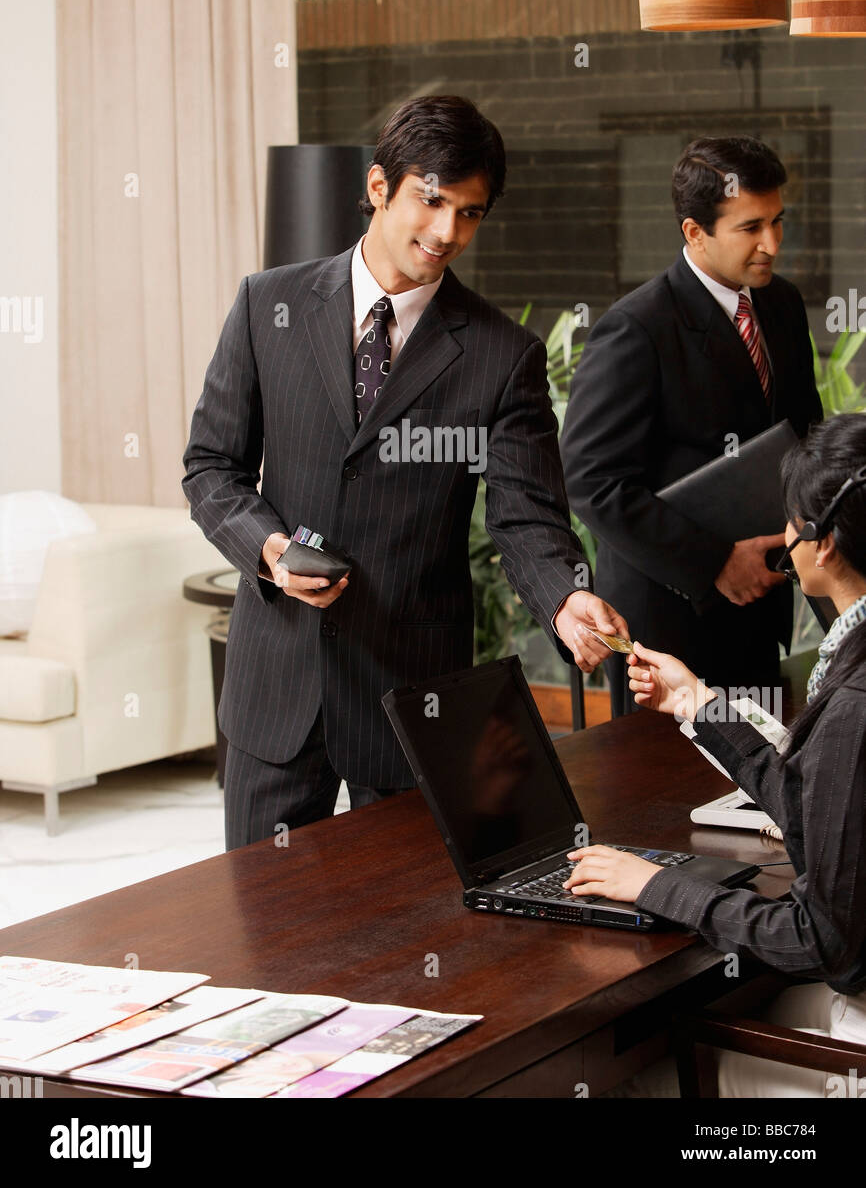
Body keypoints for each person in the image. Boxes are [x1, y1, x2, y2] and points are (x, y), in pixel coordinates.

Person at [182, 95, 628, 851]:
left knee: (404, 916)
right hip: (277, 687)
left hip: (411, 695)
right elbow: (211, 467)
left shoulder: (502, 354)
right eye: (432, 200)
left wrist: (564, 598)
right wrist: (270, 550)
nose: (448, 231)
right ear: (380, 186)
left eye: (470, 213)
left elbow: (526, 518)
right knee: (260, 915)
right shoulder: (267, 305)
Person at [564, 414, 866, 1097]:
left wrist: (656, 887)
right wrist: (697, 703)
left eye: (791, 522)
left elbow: (820, 941)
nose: (783, 537)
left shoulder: (853, 702)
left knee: (631, 1082)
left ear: (825, 544)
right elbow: (821, 809)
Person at [560, 137, 823, 717]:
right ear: (694, 232)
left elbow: (805, 434)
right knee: (663, 779)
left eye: (778, 221)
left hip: (763, 602)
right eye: (751, 227)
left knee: (761, 768)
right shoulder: (636, 327)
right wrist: (716, 564)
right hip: (671, 622)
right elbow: (593, 483)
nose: (772, 243)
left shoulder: (781, 304)